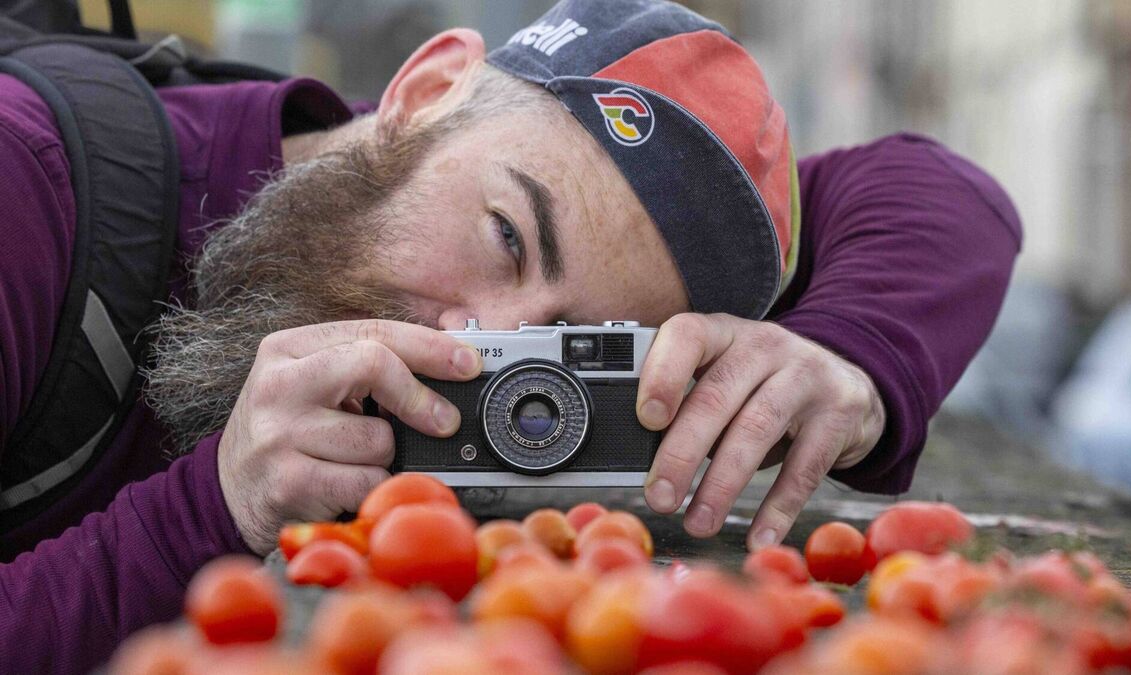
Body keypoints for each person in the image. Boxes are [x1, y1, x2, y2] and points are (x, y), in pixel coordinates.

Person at [0, 0, 1021, 670]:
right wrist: (211, 508)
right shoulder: (25, 188)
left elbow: (944, 190)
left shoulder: (460, 174)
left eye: (575, 345)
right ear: (423, 92)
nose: (480, 343)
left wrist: (844, 352)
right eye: (505, 237)